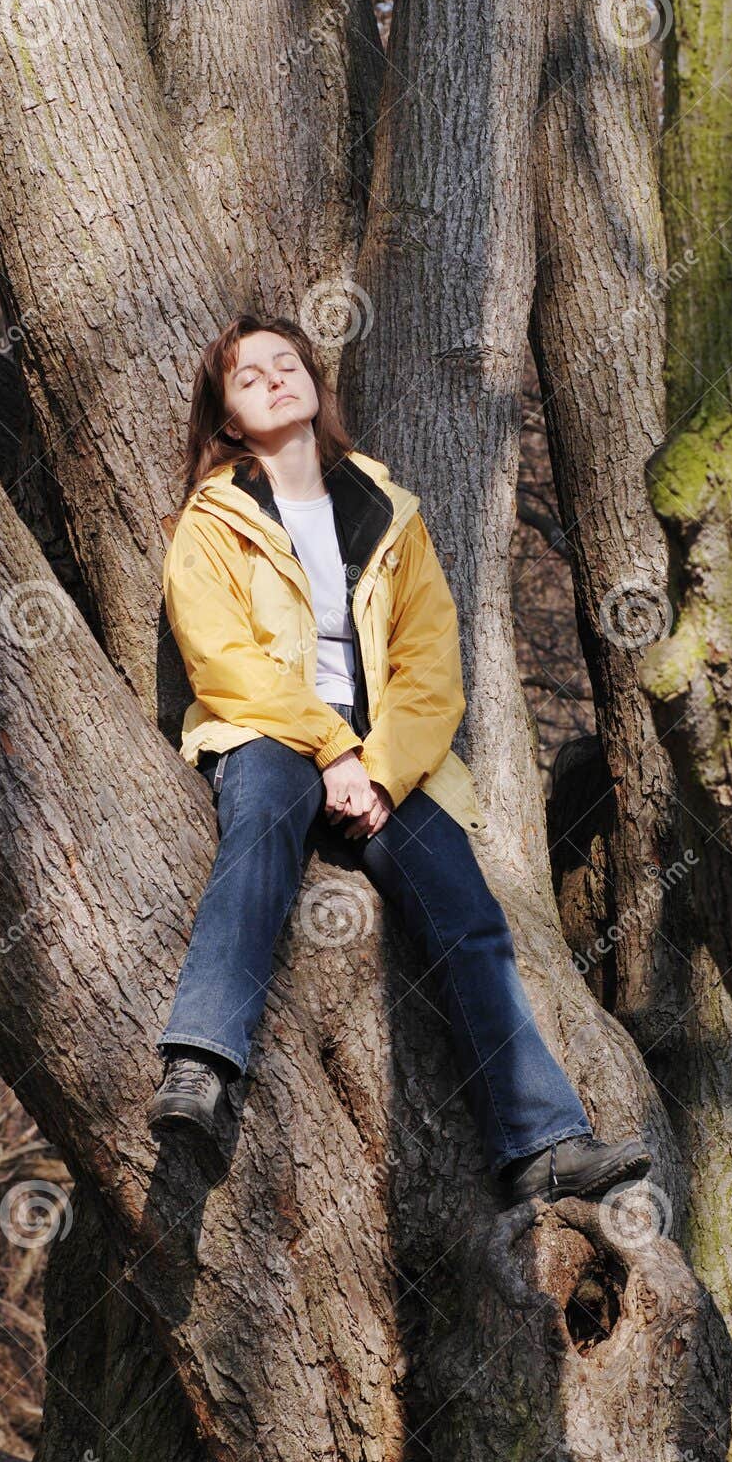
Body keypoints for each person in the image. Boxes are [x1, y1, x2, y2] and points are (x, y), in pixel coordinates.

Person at [151, 311, 651, 1205]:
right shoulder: (211, 520)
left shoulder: (389, 509)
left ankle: (540, 1143)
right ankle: (199, 1061)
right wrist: (332, 749)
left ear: (313, 383)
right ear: (227, 420)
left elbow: (430, 666)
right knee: (257, 834)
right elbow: (222, 658)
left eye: (286, 363)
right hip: (269, 728)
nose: (272, 377)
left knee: (468, 914)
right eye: (247, 375)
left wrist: (377, 770)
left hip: (386, 751)